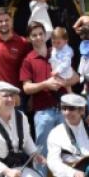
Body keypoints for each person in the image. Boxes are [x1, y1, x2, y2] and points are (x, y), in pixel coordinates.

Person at [20, 21, 76, 167]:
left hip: (64, 110)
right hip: (43, 112)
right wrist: (45, 84)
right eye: (34, 35)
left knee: (68, 151)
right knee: (41, 153)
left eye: (40, 34)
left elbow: (76, 77)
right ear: (29, 38)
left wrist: (64, 83)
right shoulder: (28, 59)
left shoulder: (58, 51)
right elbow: (26, 88)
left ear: (46, 35)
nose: (38, 37)